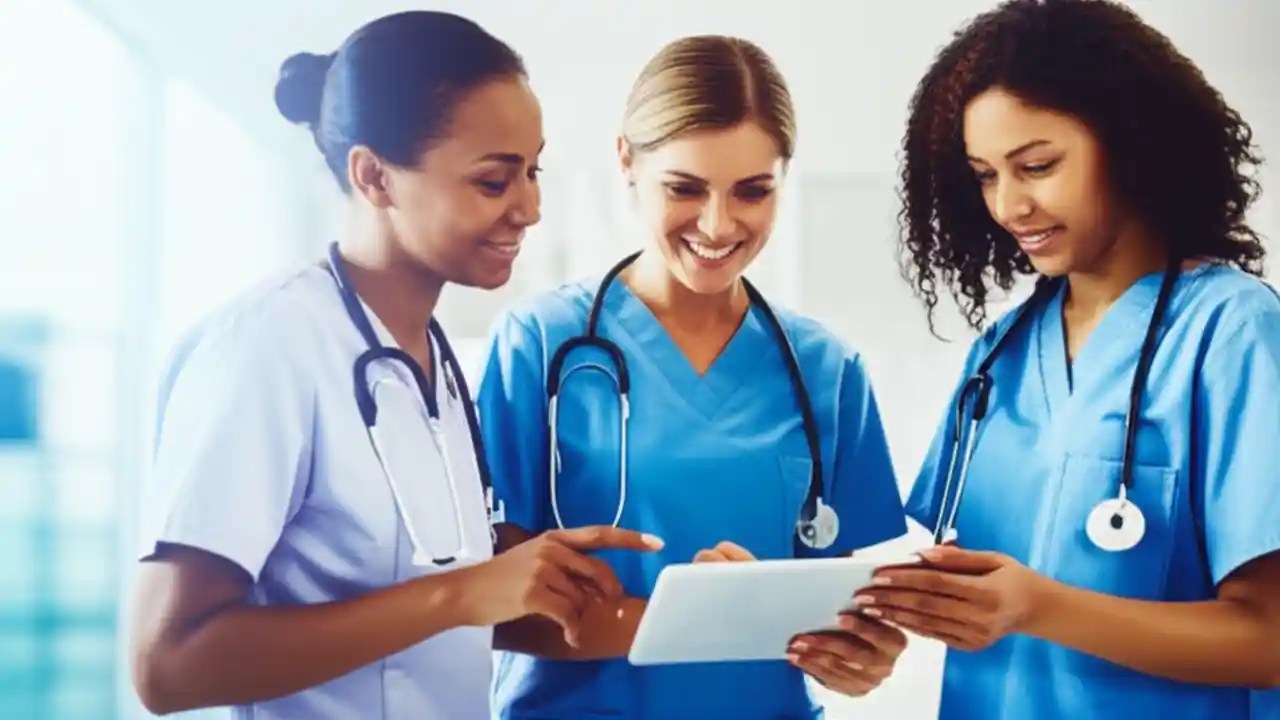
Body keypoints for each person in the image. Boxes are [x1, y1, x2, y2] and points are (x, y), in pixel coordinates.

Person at [127, 11, 659, 719]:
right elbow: (168, 664)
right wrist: (464, 592)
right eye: (494, 182)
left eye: (533, 172)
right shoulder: (268, 346)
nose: (530, 207)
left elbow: (451, 617)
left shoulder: (429, 359)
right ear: (374, 175)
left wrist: (718, 615)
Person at [857, 1, 1280, 718]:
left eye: (1037, 166)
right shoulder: (1003, 352)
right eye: (985, 176)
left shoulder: (1234, 332)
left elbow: (1269, 638)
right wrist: (806, 599)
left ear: (1131, 142)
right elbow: (966, 585)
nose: (1009, 206)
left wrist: (1039, 608)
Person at [476, 34, 910, 719]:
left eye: (752, 191)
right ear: (626, 159)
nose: (718, 224)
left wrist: (859, 661)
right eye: (684, 187)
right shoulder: (538, 346)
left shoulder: (826, 369)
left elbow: (838, 613)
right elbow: (490, 614)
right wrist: (693, 616)